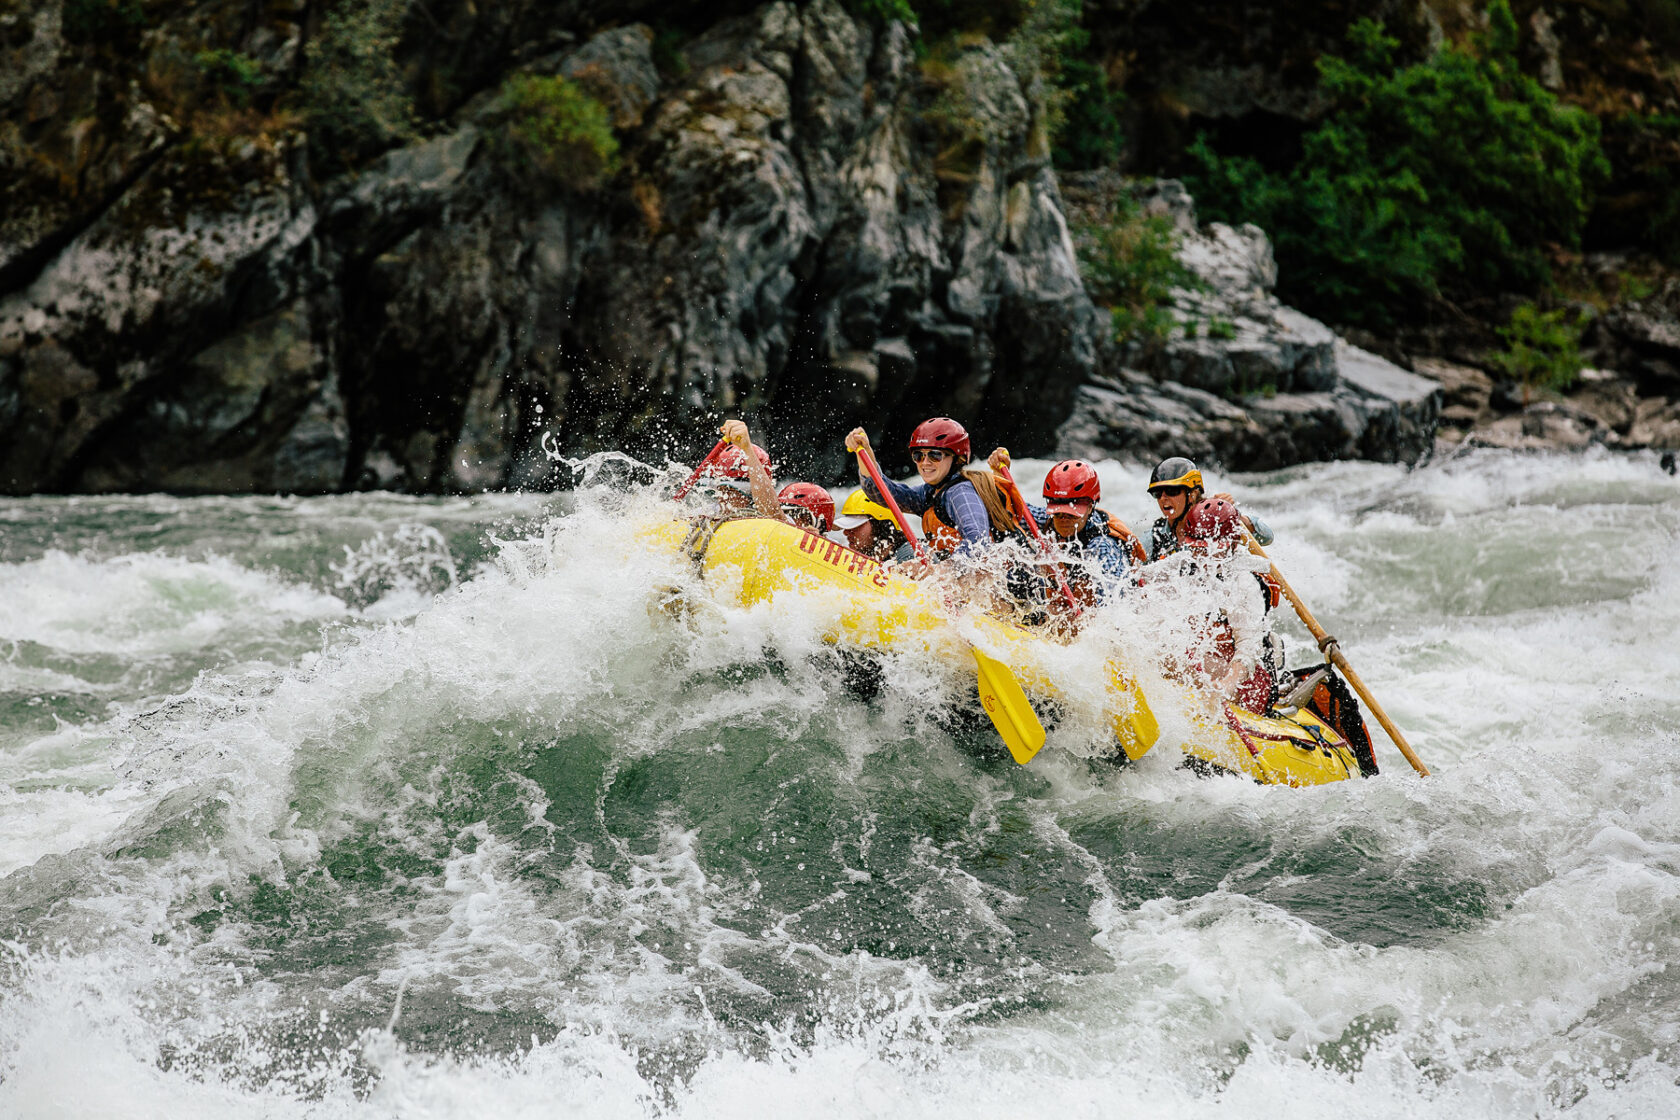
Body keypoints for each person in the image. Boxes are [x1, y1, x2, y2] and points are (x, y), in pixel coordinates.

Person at [1177, 497, 1280, 713]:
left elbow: (1248, 649)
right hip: (1211, 667)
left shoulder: (1243, 582)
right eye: (1198, 549)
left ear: (1232, 544)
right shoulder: (1187, 568)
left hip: (1250, 682)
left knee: (1180, 658)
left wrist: (1226, 685)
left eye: (1210, 549)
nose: (1203, 556)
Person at [843, 419, 997, 559]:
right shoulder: (930, 493)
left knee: (910, 554)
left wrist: (942, 572)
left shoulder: (960, 493)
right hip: (962, 576)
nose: (925, 463)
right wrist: (865, 453)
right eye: (918, 455)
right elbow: (882, 493)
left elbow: (978, 543)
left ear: (957, 458)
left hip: (1001, 583)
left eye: (935, 455)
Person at [1009, 457, 1140, 606]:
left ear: (1090, 507)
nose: (1064, 520)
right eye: (1058, 513)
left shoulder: (1102, 546)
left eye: (1072, 514)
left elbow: (1114, 607)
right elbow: (1013, 510)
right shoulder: (1049, 521)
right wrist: (998, 473)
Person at [1145, 456, 1273, 561]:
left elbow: (1267, 537)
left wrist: (1232, 515)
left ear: (1193, 494)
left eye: (1171, 491)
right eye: (1157, 493)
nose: (1163, 498)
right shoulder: (1155, 535)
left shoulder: (1215, 520)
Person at [696, 419, 780, 519]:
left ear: (751, 496)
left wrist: (747, 448)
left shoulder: (775, 518)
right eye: (721, 490)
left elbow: (773, 513)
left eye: (731, 491)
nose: (724, 498)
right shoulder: (706, 513)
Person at [832, 489, 911, 562]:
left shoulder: (910, 557)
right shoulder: (864, 557)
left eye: (855, 526)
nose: (845, 532)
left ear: (881, 526)